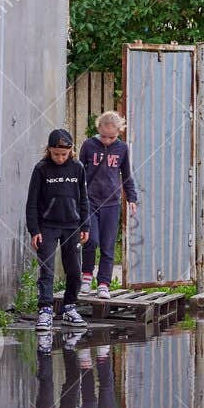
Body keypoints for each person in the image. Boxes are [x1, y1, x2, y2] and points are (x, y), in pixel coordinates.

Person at [26, 128, 90, 330]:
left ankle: (69, 307)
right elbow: (32, 202)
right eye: (56, 154)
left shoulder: (78, 168)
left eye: (64, 154)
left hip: (72, 226)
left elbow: (84, 199)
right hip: (48, 227)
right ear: (49, 150)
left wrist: (85, 225)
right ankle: (45, 310)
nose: (60, 158)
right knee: (47, 270)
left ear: (71, 151)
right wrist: (34, 230)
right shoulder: (41, 169)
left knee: (74, 271)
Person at [79, 111, 138, 297]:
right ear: (98, 130)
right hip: (89, 200)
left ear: (119, 132)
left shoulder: (122, 148)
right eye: (103, 136)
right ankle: (86, 276)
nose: (106, 141)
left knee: (107, 245)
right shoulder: (88, 145)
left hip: (111, 203)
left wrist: (132, 198)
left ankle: (104, 283)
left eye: (111, 137)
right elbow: (79, 173)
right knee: (91, 240)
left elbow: (127, 175)